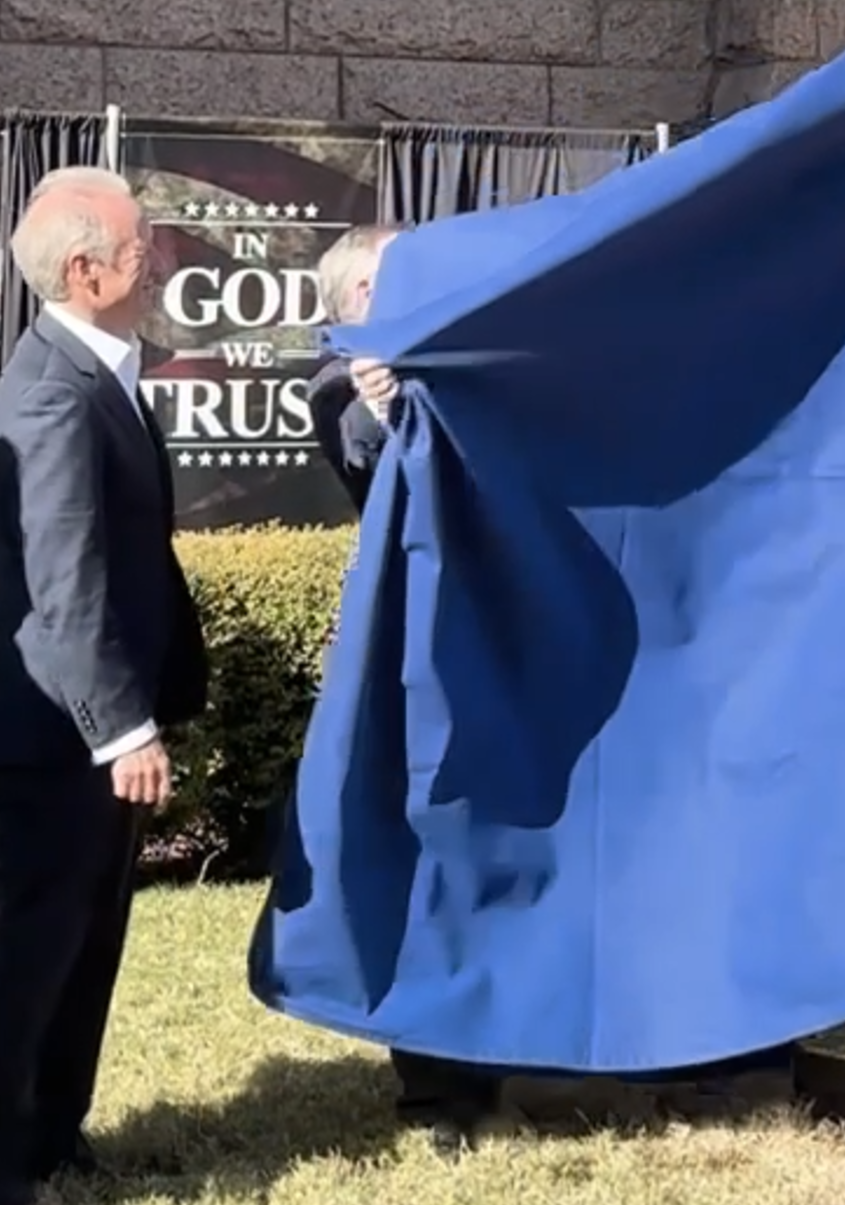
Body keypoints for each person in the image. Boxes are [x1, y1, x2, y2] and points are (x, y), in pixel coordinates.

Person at [0, 166, 210, 1205]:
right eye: (146, 248)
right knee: (35, 952)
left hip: (76, 732)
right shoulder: (55, 393)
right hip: (53, 735)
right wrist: (122, 730)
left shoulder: (91, 370)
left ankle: (52, 1139)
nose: (162, 262)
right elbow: (66, 584)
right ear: (89, 272)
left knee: (87, 943)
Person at [303, 222, 498, 1153]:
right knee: (419, 861)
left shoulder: (462, 382)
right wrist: (391, 410)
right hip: (412, 680)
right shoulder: (348, 391)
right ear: (354, 308)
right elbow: (362, 453)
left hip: (491, 661)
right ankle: (437, 1092)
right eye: (389, 283)